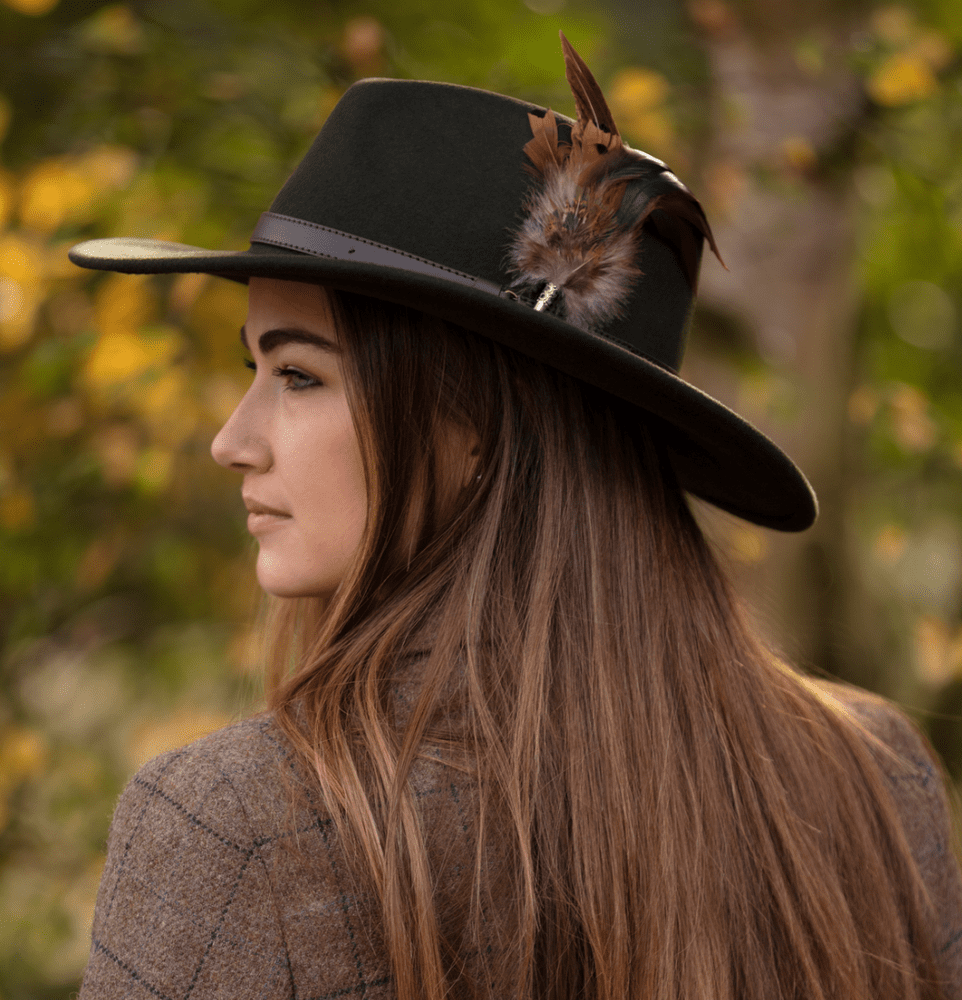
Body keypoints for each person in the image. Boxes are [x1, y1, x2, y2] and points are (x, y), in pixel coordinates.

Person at [69, 33, 962, 1000]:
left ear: (481, 432)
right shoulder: (874, 781)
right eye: (255, 370)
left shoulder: (237, 828)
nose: (232, 441)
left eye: (298, 375)